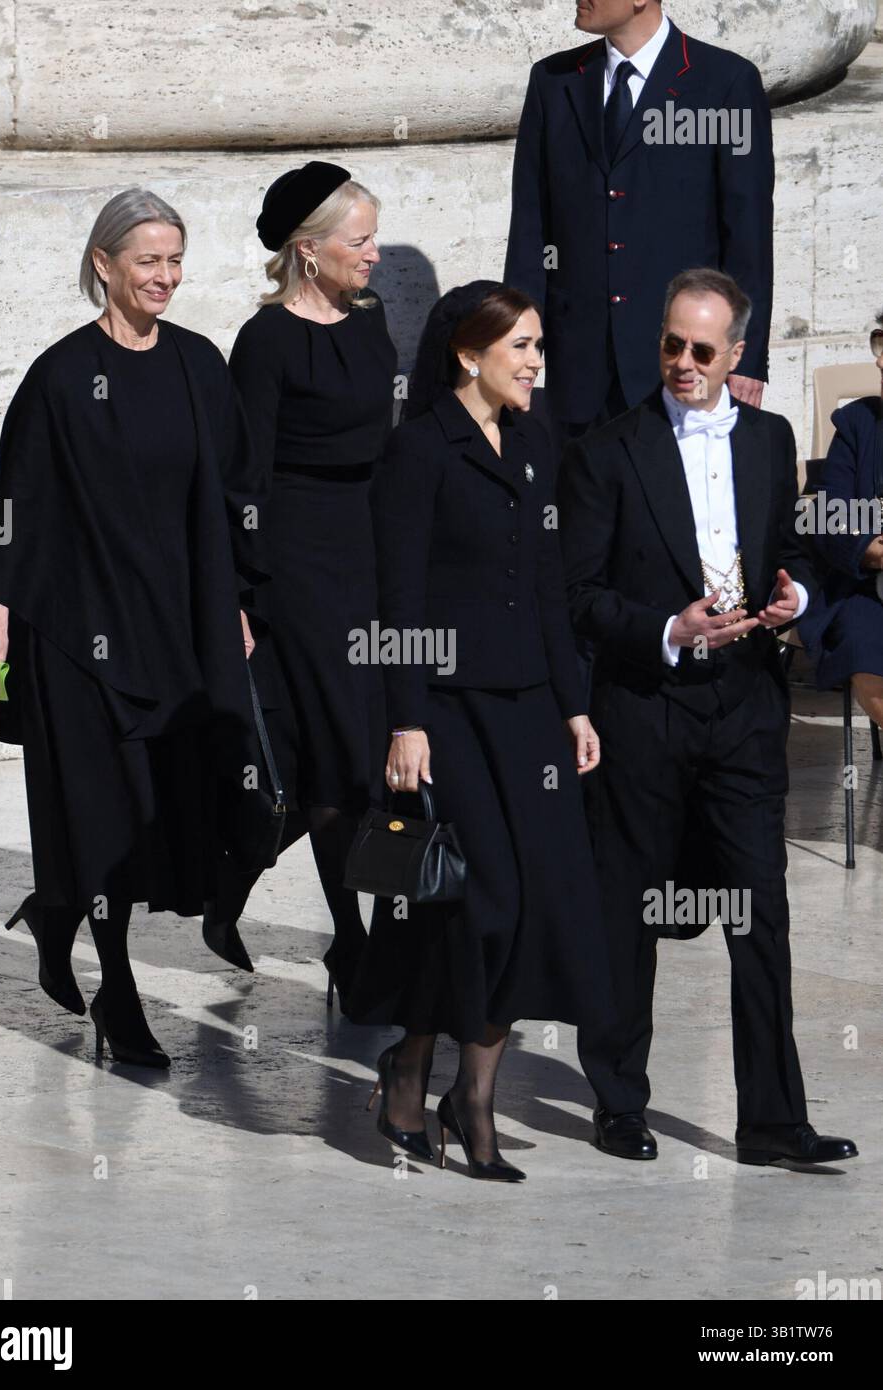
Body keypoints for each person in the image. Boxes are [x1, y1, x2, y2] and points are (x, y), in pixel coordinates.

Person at [560, 266, 857, 1166]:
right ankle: (618, 1101)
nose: (682, 363)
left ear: (735, 354)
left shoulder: (770, 441)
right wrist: (665, 628)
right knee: (631, 908)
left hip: (744, 706)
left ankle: (771, 1119)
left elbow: (793, 549)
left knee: (761, 914)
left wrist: (793, 594)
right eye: (669, 344)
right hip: (646, 706)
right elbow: (576, 595)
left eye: (701, 349)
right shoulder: (606, 450)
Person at [0, 189, 268, 1068]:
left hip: (175, 631)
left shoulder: (198, 366)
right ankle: (119, 993)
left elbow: (239, 491)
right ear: (104, 264)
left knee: (168, 811)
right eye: (148, 261)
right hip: (76, 634)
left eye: (175, 260)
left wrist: (243, 602)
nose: (166, 277)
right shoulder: (60, 377)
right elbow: (16, 508)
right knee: (100, 817)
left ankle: (58, 910)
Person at [348, 282, 617, 1182]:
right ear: (470, 354)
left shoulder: (539, 442)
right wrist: (407, 721)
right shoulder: (419, 449)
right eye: (522, 348)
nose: (538, 361)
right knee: (480, 899)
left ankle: (451, 1088)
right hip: (450, 712)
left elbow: (548, 586)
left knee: (531, 901)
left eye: (540, 344)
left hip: (533, 707)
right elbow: (399, 599)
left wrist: (575, 705)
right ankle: (431, 1079)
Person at [219, 162, 398, 1006]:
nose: (372, 254)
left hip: (372, 551)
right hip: (298, 566)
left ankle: (246, 883)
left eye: (373, 237)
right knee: (334, 759)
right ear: (308, 249)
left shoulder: (371, 324)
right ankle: (352, 940)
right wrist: (243, 595)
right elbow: (242, 475)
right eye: (357, 240)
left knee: (377, 752)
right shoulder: (265, 343)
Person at [503, 0, 774, 440]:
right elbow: (531, 229)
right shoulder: (552, 82)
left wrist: (746, 357)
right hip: (579, 370)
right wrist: (516, 347)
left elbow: (748, 237)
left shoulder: (725, 81)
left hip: (683, 363)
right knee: (581, 506)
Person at [799, 314, 883, 724]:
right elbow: (826, 512)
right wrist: (866, 549)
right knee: (867, 650)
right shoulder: (857, 424)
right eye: (880, 347)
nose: (881, 362)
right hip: (867, 588)